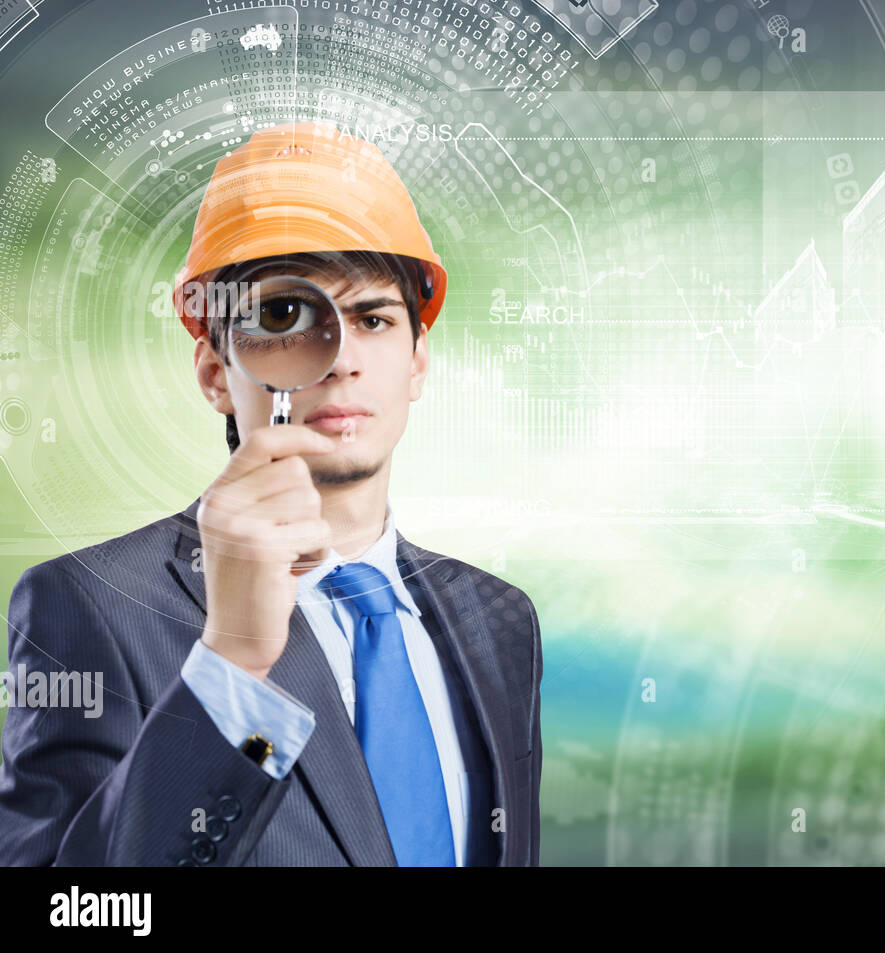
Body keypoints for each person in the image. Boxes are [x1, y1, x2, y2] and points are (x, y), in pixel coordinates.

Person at [0, 120, 541, 866]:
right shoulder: (91, 608)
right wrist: (232, 663)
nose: (341, 359)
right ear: (215, 371)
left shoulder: (502, 619)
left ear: (418, 360)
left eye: (374, 319)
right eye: (285, 317)